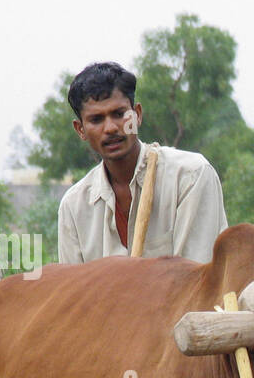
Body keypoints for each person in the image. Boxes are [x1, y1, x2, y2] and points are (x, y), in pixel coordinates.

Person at [57, 61, 227, 264]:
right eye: (96, 120)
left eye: (119, 114)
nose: (110, 128)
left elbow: (198, 280)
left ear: (137, 115)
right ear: (81, 129)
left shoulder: (191, 175)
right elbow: (74, 291)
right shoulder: (74, 205)